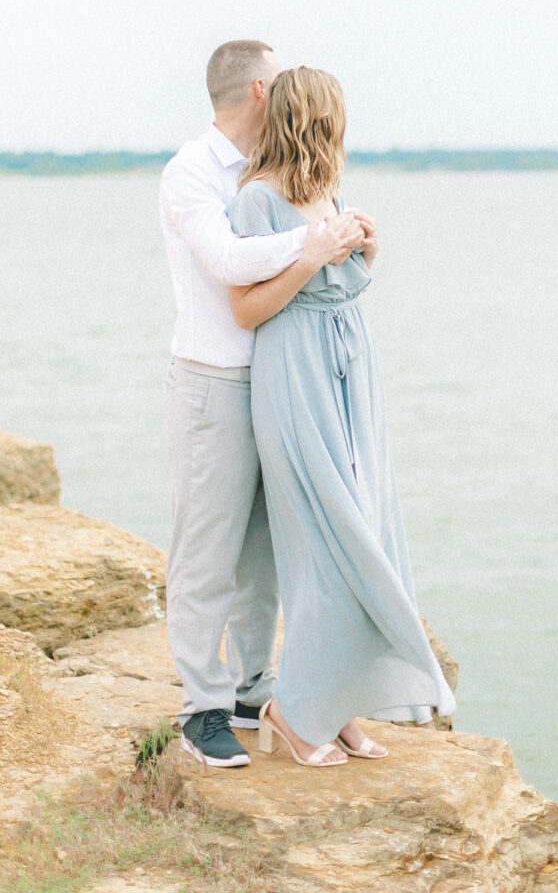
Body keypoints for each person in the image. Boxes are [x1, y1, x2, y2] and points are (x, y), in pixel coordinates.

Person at [228, 66, 455, 768]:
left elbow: (344, 286)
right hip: (294, 370)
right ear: (317, 120)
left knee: (369, 524)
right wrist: (312, 255)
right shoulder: (255, 202)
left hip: (352, 367)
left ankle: (336, 705)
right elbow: (247, 309)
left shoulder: (328, 191)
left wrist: (364, 250)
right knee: (325, 542)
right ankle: (293, 713)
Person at [159, 41, 364, 768]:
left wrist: (346, 240)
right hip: (215, 382)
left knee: (264, 552)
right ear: (257, 89)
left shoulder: (268, 174)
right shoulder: (193, 173)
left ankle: (253, 686)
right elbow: (231, 264)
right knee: (205, 552)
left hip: (280, 379)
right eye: (280, 81)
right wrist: (320, 241)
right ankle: (202, 707)